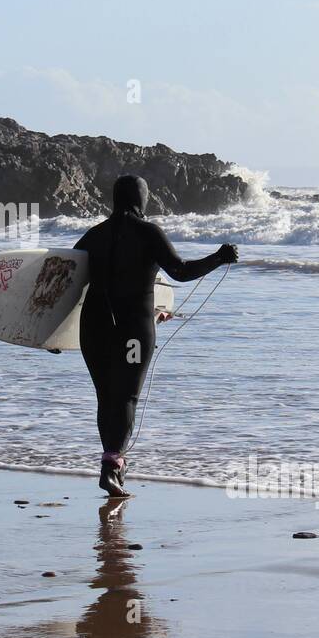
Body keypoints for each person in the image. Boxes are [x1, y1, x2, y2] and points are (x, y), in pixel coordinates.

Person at [74, 175, 237, 496]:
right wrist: (218, 257)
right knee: (126, 397)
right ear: (142, 199)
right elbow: (179, 271)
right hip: (133, 329)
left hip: (92, 328)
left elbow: (65, 282)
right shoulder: (147, 233)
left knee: (106, 397)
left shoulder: (93, 236)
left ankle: (113, 463)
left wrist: (47, 333)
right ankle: (112, 467)